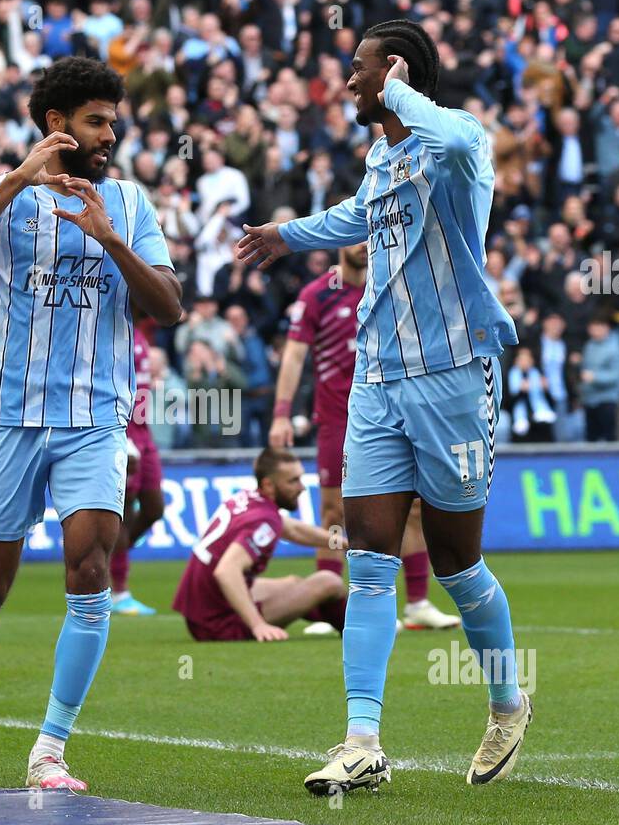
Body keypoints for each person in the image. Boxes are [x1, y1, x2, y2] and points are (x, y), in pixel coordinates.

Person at [237, 19, 531, 793]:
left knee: (459, 564)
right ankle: (362, 740)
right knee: (367, 557)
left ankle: (506, 701)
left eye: (359, 69)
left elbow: (459, 143)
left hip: (453, 378)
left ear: (394, 71)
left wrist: (398, 85)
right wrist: (286, 234)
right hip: (378, 380)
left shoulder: (458, 140)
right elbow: (356, 218)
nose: (348, 83)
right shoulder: (381, 160)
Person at [0, 57, 182, 792]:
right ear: (58, 124)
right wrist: (14, 182)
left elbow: (171, 307)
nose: (111, 134)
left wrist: (113, 241)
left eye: (114, 121)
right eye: (97, 120)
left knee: (91, 569)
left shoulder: (128, 202)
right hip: (9, 419)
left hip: (96, 419)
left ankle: (50, 751)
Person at [270, 243, 459, 634]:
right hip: (337, 418)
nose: (361, 245)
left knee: (415, 506)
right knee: (334, 512)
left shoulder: (391, 287)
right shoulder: (316, 294)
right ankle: (329, 605)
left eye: (367, 236)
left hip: (394, 412)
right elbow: (293, 356)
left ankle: (419, 604)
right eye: (353, 236)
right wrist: (281, 414)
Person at [172, 448, 347, 642]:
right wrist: (258, 625)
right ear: (269, 485)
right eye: (293, 481)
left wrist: (345, 543)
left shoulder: (249, 499)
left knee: (294, 584)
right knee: (329, 582)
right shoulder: (263, 521)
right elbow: (226, 571)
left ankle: (343, 624)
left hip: (202, 609)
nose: (302, 488)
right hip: (218, 623)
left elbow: (293, 529)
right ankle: (355, 628)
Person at [109, 324, 165, 616]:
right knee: (124, 509)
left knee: (155, 507)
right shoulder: (117, 328)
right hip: (124, 429)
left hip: (144, 430)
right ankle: (119, 592)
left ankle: (105, 558)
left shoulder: (142, 333)